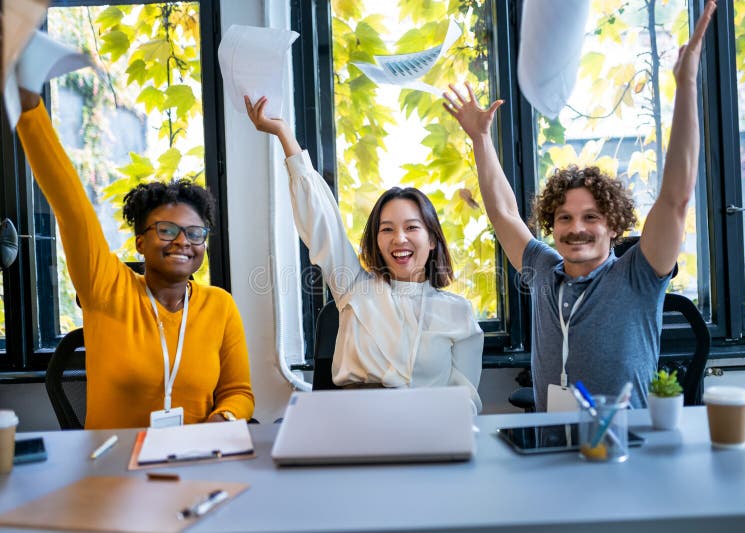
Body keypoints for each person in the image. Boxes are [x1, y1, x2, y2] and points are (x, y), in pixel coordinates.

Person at [443, 1, 717, 411]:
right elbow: (502, 213)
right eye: (565, 217)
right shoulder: (541, 270)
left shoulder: (638, 276)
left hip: (624, 447)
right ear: (552, 225)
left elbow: (676, 198)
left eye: (591, 217)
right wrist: (481, 139)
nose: (577, 228)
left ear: (613, 226)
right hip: (553, 442)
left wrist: (687, 82)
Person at [15, 88, 255, 429]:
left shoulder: (220, 306)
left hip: (197, 463)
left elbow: (239, 392)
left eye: (195, 232)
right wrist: (31, 112)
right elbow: (72, 209)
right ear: (140, 242)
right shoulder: (107, 289)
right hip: (116, 469)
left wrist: (224, 417)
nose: (183, 241)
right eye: (167, 230)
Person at [245, 96, 484, 412]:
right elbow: (321, 220)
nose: (399, 238)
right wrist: (283, 134)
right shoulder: (353, 288)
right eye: (386, 229)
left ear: (432, 241)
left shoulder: (459, 314)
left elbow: (465, 399)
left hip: (425, 432)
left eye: (412, 228)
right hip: (352, 426)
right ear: (376, 240)